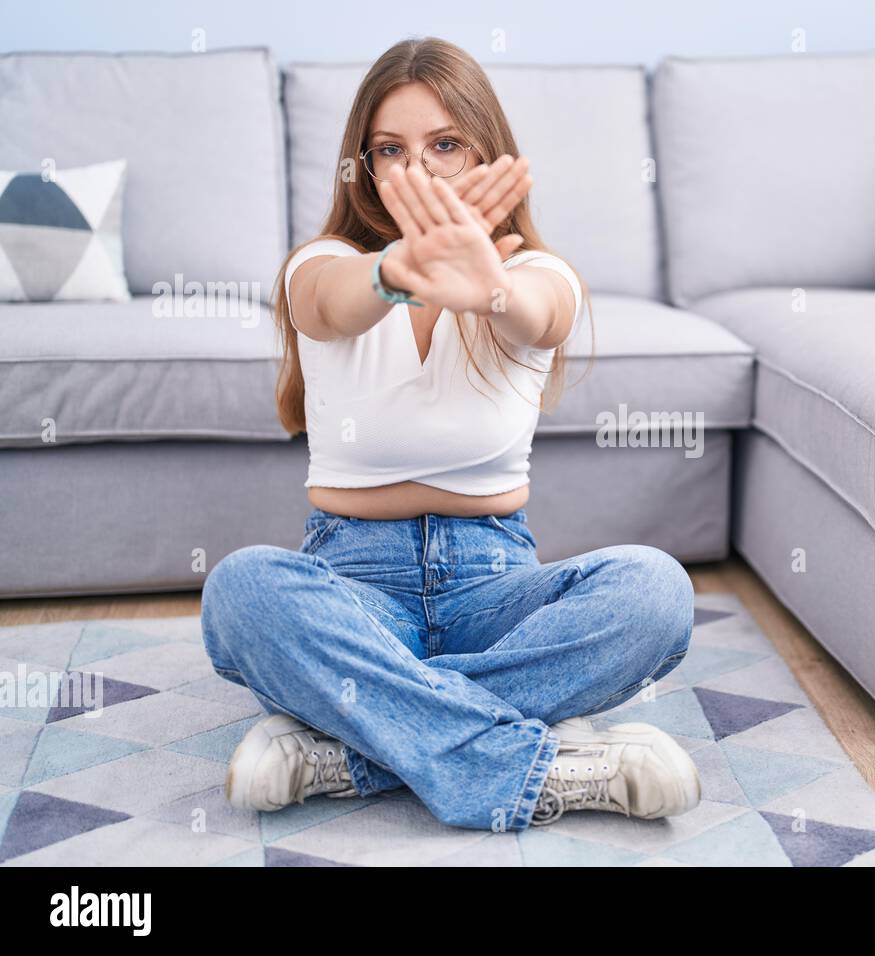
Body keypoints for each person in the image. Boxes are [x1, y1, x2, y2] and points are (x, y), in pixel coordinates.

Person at [199, 37, 700, 832]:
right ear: (362, 167)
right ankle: (542, 759)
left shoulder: (533, 274)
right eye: (391, 151)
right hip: (353, 586)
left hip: (493, 583)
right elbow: (329, 302)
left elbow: (542, 313)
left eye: (445, 146)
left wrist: (491, 289)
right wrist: (395, 271)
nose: (420, 173)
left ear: (484, 152)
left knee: (657, 591)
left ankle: (358, 746)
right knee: (241, 591)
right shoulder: (324, 264)